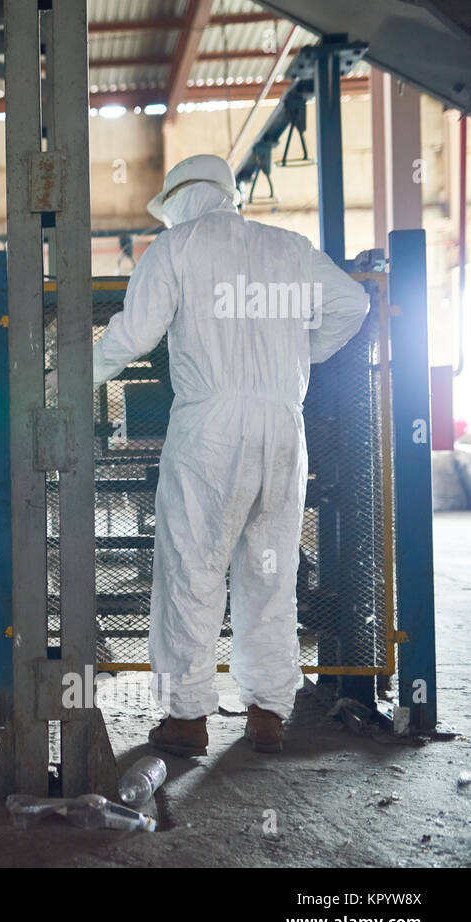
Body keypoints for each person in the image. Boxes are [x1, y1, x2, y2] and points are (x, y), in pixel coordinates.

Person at [92, 154, 370, 755]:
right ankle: (268, 712)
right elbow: (354, 305)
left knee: (192, 570)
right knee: (269, 573)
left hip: (210, 429)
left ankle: (188, 719)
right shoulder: (289, 247)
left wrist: (73, 375)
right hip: (281, 425)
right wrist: (301, 356)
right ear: (227, 193)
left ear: (179, 203)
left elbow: (134, 335)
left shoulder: (176, 249)